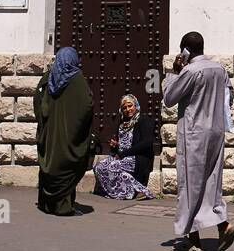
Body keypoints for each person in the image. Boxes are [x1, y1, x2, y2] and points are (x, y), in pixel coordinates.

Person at [163, 31, 234, 251]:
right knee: (211, 183)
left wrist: (174, 73)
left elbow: (169, 98)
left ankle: (192, 239)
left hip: (194, 134)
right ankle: (223, 226)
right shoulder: (219, 69)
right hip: (216, 132)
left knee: (190, 185)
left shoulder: (189, 71)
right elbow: (230, 96)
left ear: (185, 50)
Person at [34, 47, 94, 216]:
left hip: (49, 137)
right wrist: (75, 127)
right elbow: (87, 106)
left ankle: (47, 204)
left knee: (50, 166)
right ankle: (63, 207)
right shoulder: (77, 79)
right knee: (66, 167)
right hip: (68, 138)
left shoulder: (47, 78)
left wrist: (44, 124)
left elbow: (37, 102)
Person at [92, 94, 155, 201]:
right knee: (98, 166)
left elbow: (147, 143)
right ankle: (116, 191)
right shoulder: (122, 122)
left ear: (136, 106)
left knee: (113, 166)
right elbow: (119, 147)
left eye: (130, 106)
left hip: (137, 158)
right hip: (123, 157)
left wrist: (123, 153)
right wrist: (115, 146)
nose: (128, 109)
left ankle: (139, 190)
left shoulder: (143, 120)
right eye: (124, 108)